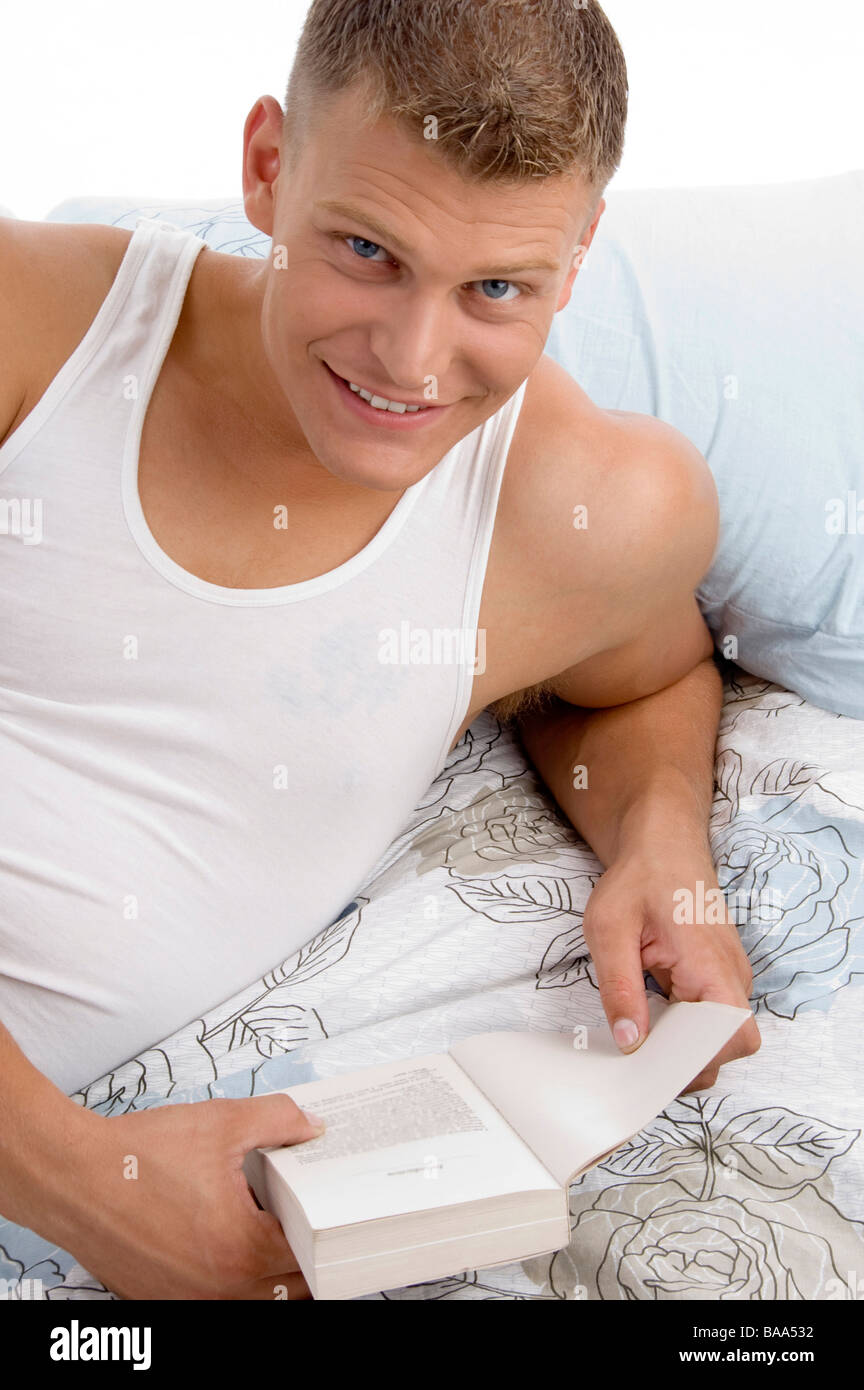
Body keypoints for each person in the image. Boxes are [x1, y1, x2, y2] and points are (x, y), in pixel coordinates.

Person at [0, 0, 759, 1299]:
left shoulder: (587, 515)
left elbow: (643, 677)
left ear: (575, 268)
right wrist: (78, 1175)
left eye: (496, 291)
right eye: (366, 250)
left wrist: (659, 839)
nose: (410, 360)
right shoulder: (37, 334)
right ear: (265, 169)